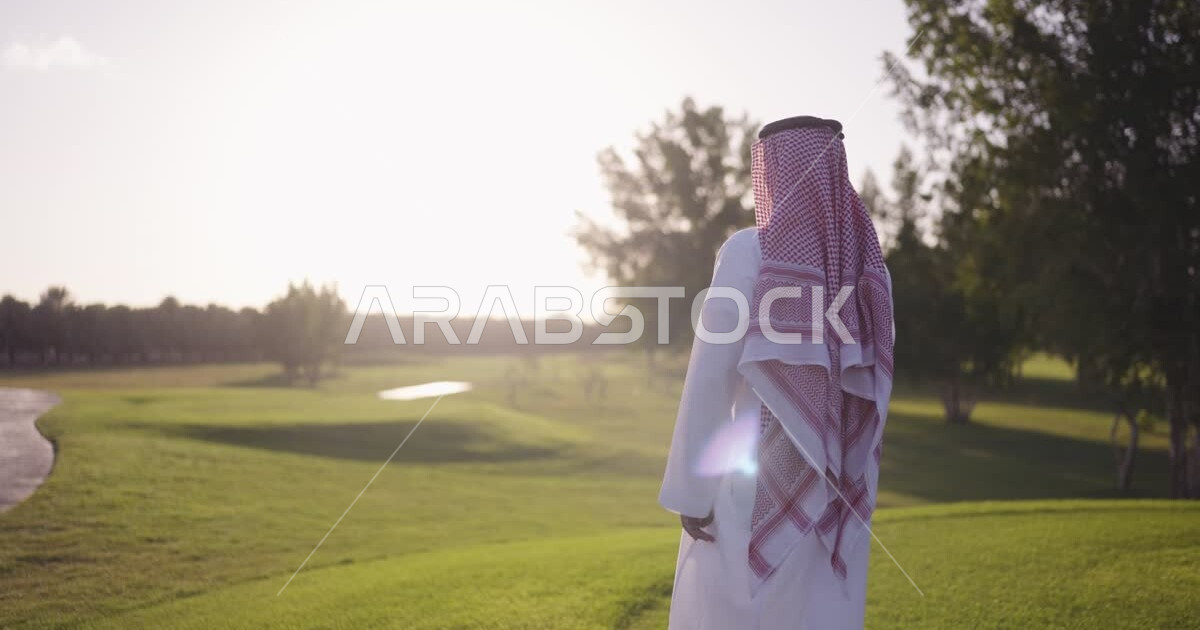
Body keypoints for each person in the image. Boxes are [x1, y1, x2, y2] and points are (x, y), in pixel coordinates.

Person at [659, 116, 895, 629]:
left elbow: (710, 378)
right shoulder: (871, 267)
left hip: (751, 490)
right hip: (841, 488)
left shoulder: (748, 252)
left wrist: (691, 492)